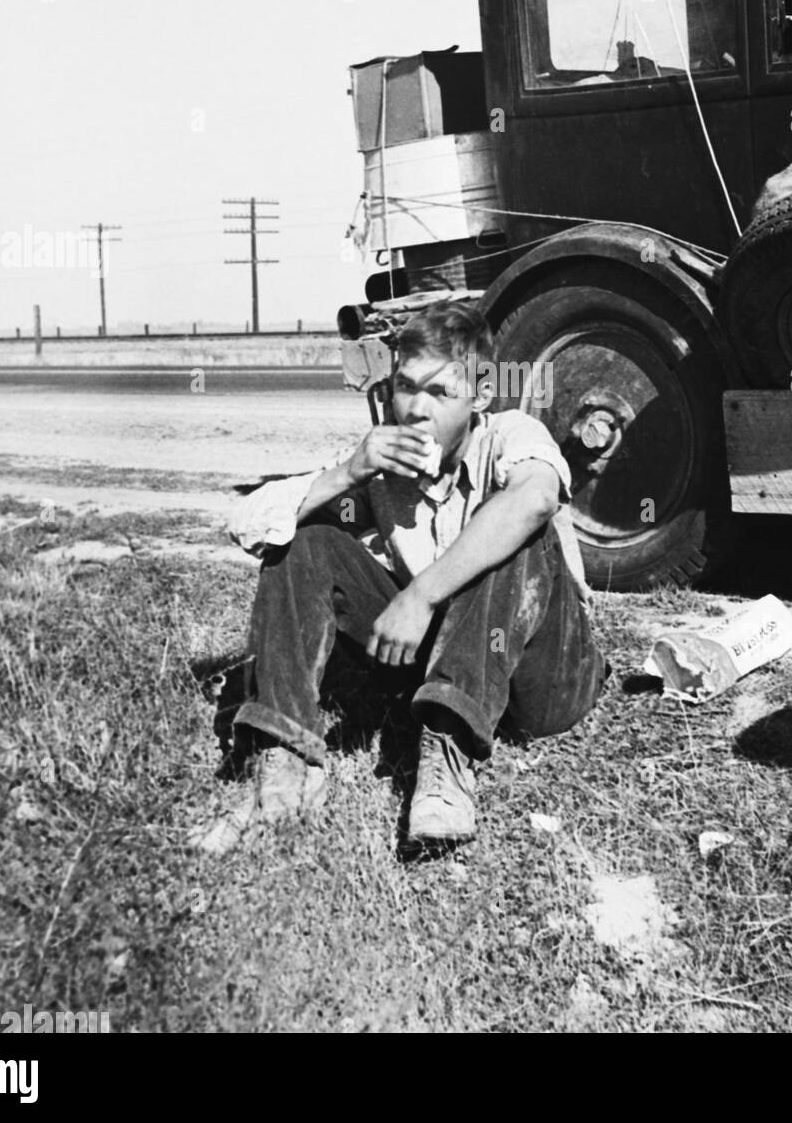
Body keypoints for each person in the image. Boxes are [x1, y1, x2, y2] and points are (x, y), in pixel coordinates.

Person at [190, 300, 604, 856]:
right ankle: (286, 761)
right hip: (447, 661)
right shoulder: (384, 459)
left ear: (480, 395)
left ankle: (449, 756)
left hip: (546, 675)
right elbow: (248, 527)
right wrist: (348, 473)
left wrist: (421, 594)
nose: (415, 411)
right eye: (406, 388)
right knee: (306, 538)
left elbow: (535, 499)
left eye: (440, 394)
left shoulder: (509, 433)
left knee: (511, 529)